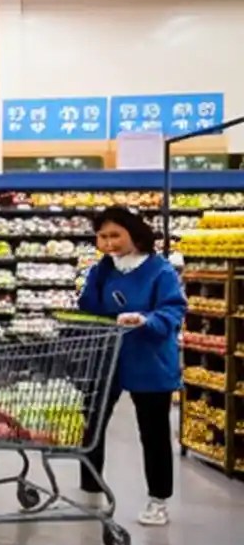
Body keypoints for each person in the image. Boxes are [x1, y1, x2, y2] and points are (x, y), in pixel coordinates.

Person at [76, 205, 186, 526]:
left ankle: (158, 499)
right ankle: (91, 487)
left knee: (153, 433)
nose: (108, 243)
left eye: (115, 236)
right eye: (102, 237)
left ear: (133, 234)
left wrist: (146, 319)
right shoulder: (102, 270)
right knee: (91, 423)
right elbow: (90, 308)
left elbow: (173, 310)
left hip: (149, 358)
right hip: (107, 358)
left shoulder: (160, 271)